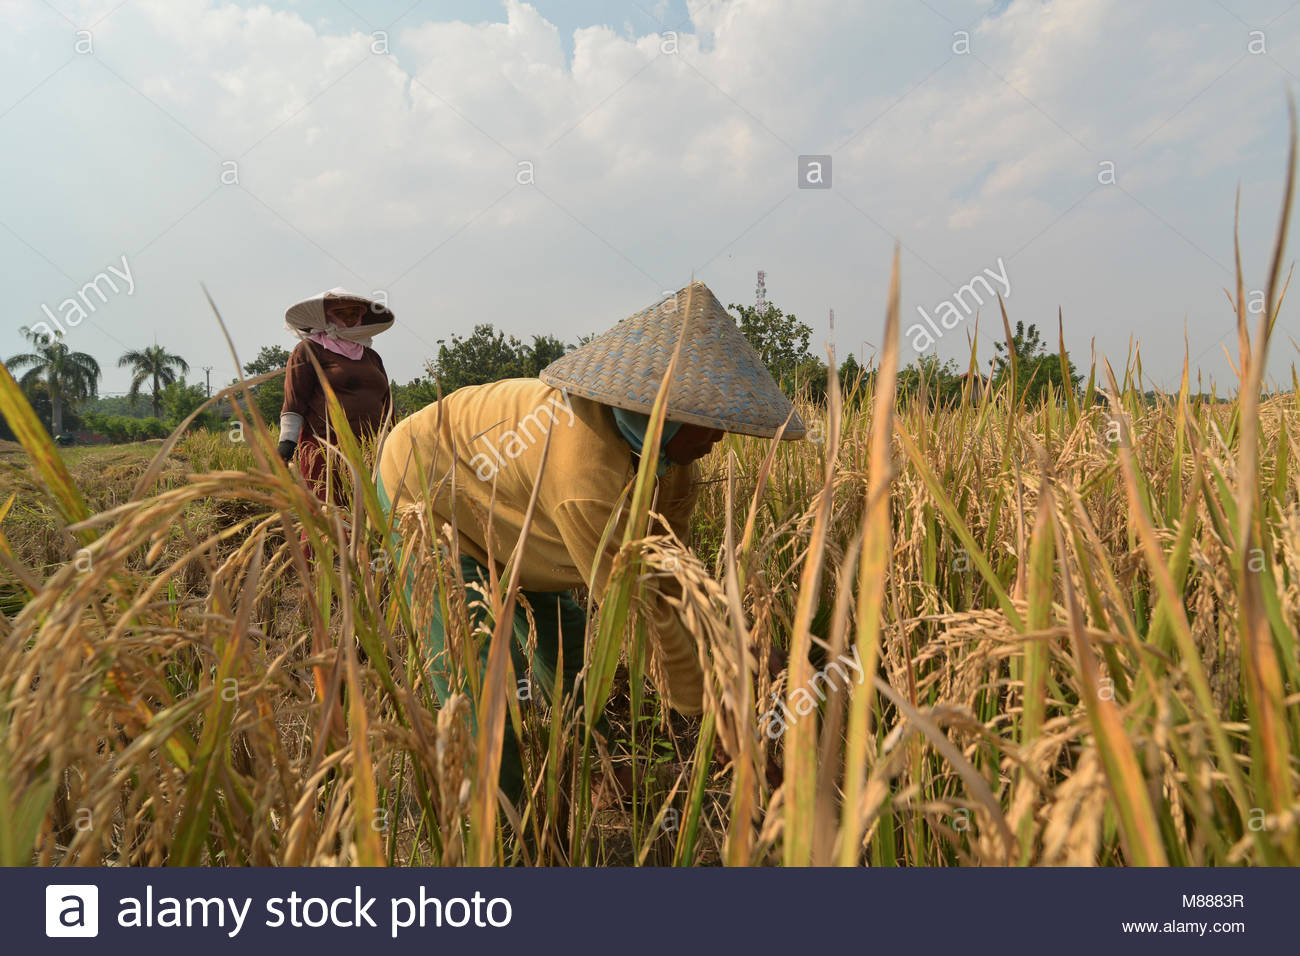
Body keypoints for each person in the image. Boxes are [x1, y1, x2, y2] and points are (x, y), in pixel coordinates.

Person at [376, 281, 804, 804]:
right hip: (428, 490)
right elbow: (644, 607)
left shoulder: (674, 464)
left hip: (510, 506)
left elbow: (672, 567)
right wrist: (721, 719)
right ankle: (500, 834)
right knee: (483, 678)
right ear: (661, 414)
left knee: (567, 639)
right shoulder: (585, 478)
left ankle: (588, 765)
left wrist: (736, 637)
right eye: (707, 422)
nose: (719, 437)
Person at [278, 288, 394, 505]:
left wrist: (396, 440)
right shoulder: (308, 350)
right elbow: (295, 402)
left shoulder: (371, 356)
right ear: (328, 317)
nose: (349, 319)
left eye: (354, 314)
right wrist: (286, 445)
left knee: (372, 513)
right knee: (329, 514)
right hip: (326, 450)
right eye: (342, 314)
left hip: (372, 450)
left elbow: (387, 404)